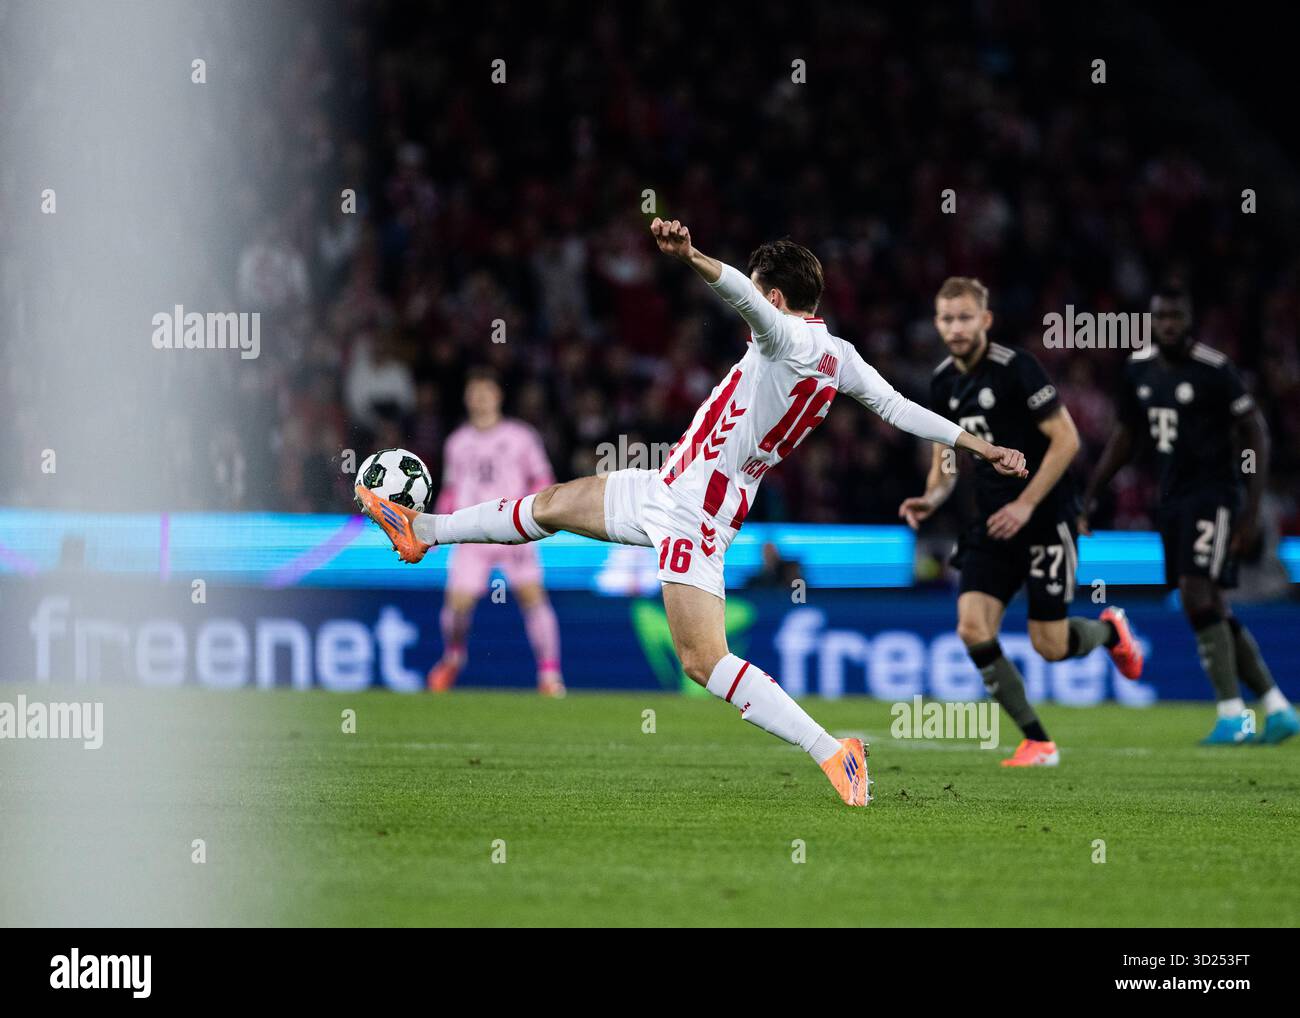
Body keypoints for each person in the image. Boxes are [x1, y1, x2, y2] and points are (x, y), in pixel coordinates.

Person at [356, 218, 1028, 806]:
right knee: (555, 504)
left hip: (694, 514)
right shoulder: (840, 356)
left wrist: (693, 256)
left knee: (703, 660)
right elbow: (899, 408)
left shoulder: (785, 338)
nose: (753, 311)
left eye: (760, 297)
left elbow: (742, 298)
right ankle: (423, 531)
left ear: (776, 297)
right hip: (669, 487)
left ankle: (833, 750)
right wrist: (978, 444)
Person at [899, 277, 1143, 767]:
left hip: (1046, 516)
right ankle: (1038, 741)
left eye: (965, 317)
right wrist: (932, 497)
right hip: (993, 520)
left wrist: (1028, 504)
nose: (956, 328)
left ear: (985, 320)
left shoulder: (1017, 369)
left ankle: (1112, 632)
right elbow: (945, 456)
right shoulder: (944, 381)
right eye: (947, 318)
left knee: (1049, 645)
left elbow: (1067, 440)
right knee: (972, 628)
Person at [1081, 286, 1297, 745]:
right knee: (1210, 604)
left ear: (1190, 320)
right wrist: (1092, 491)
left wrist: (1251, 508)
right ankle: (1277, 707)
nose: (1170, 326)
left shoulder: (1214, 371)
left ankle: (1232, 715)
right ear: (1151, 321)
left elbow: (1255, 431)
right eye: (1162, 318)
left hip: (1214, 495)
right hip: (1172, 499)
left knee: (1197, 594)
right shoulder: (1137, 370)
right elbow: (1125, 435)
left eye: (1177, 317)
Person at [428, 368, 565, 696]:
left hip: (512, 530)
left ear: (497, 397)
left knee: (532, 595)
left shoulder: (521, 436)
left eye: (486, 393)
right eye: (474, 393)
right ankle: (454, 655)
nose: (480, 399)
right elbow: (450, 489)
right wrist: (435, 526)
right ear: (467, 398)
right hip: (471, 533)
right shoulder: (457, 442)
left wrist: (535, 517)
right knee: (458, 604)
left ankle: (549, 675)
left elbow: (542, 479)